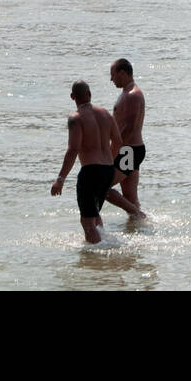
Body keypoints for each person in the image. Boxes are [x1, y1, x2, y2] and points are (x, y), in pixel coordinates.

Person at [50, 81, 139, 243]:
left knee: (87, 223)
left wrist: (60, 179)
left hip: (90, 172)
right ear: (90, 94)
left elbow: (73, 149)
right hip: (107, 170)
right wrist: (108, 161)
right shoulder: (106, 114)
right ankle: (103, 247)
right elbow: (118, 141)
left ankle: (100, 255)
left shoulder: (76, 118)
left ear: (72, 97)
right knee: (95, 216)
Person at [105, 58, 147, 218]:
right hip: (129, 151)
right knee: (130, 197)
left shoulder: (132, 95)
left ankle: (138, 214)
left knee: (101, 187)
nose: (111, 79)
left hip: (128, 151)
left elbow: (128, 128)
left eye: (112, 74)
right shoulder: (127, 93)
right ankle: (136, 226)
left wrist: (112, 152)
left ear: (122, 73)